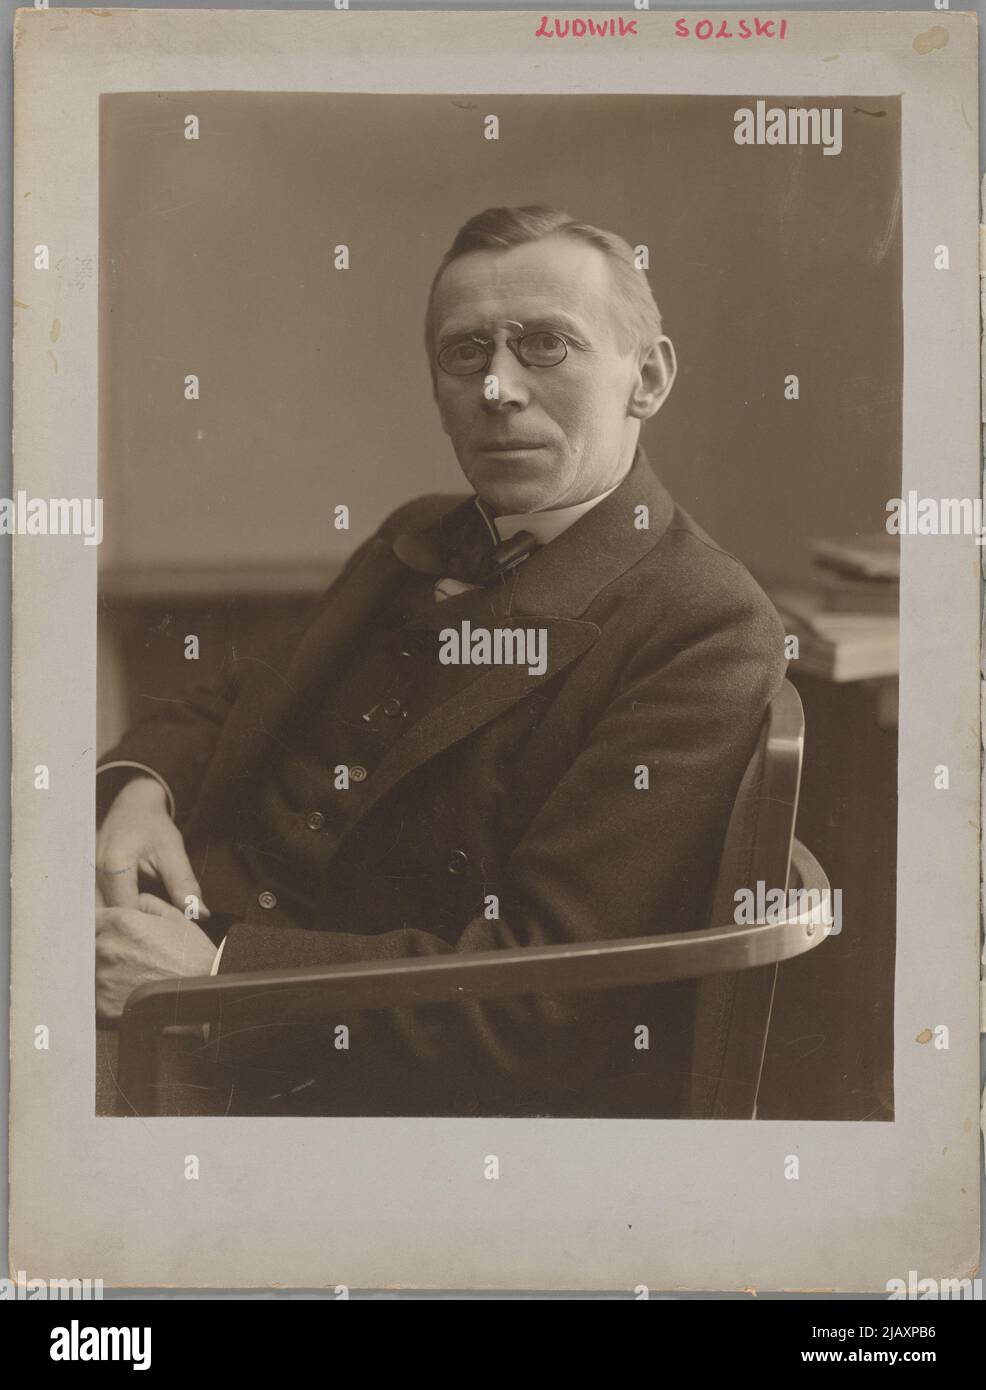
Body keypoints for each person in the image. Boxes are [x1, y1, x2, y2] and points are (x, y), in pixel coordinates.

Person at [95, 205, 786, 1116]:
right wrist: (141, 786)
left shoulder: (705, 624)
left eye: (544, 345)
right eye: (466, 354)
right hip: (155, 929)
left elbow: (544, 1000)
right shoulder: (420, 533)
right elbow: (241, 702)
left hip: (298, 1063)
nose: (497, 387)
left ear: (647, 378)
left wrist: (216, 977)